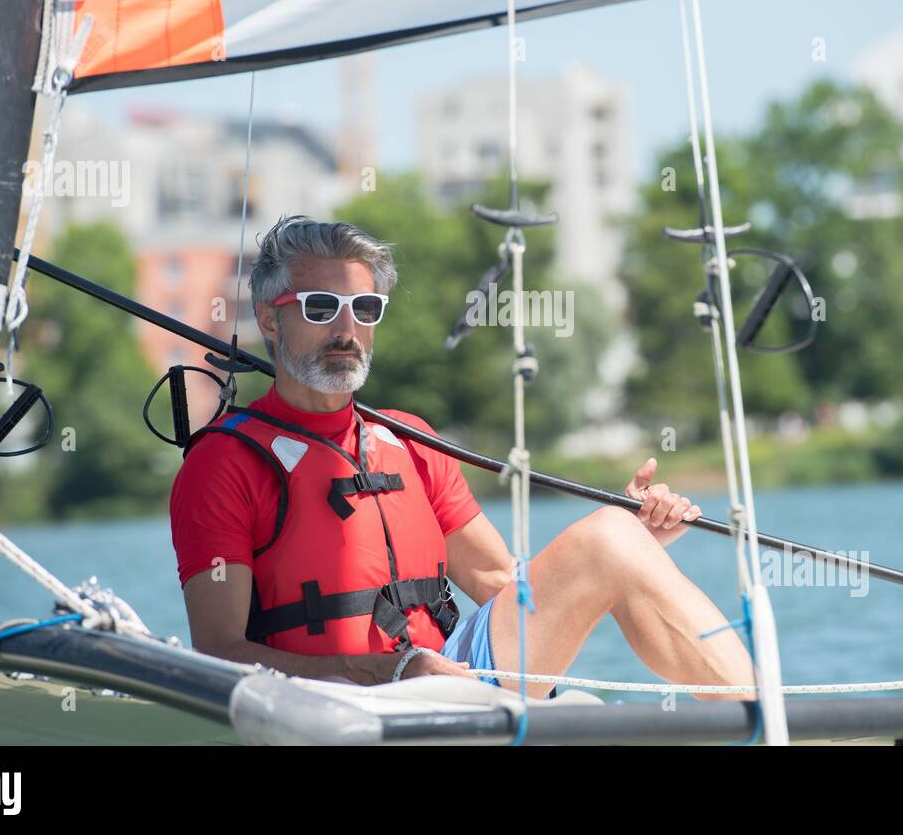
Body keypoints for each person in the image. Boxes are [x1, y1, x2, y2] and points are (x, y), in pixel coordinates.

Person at [170, 215, 756, 700]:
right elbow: (221, 656)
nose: (347, 329)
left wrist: (635, 549)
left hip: (452, 683)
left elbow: (508, 585)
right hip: (332, 708)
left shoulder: (412, 441)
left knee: (612, 538)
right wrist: (389, 671)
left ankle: (768, 726)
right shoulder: (223, 464)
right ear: (270, 318)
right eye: (322, 308)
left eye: (366, 308)